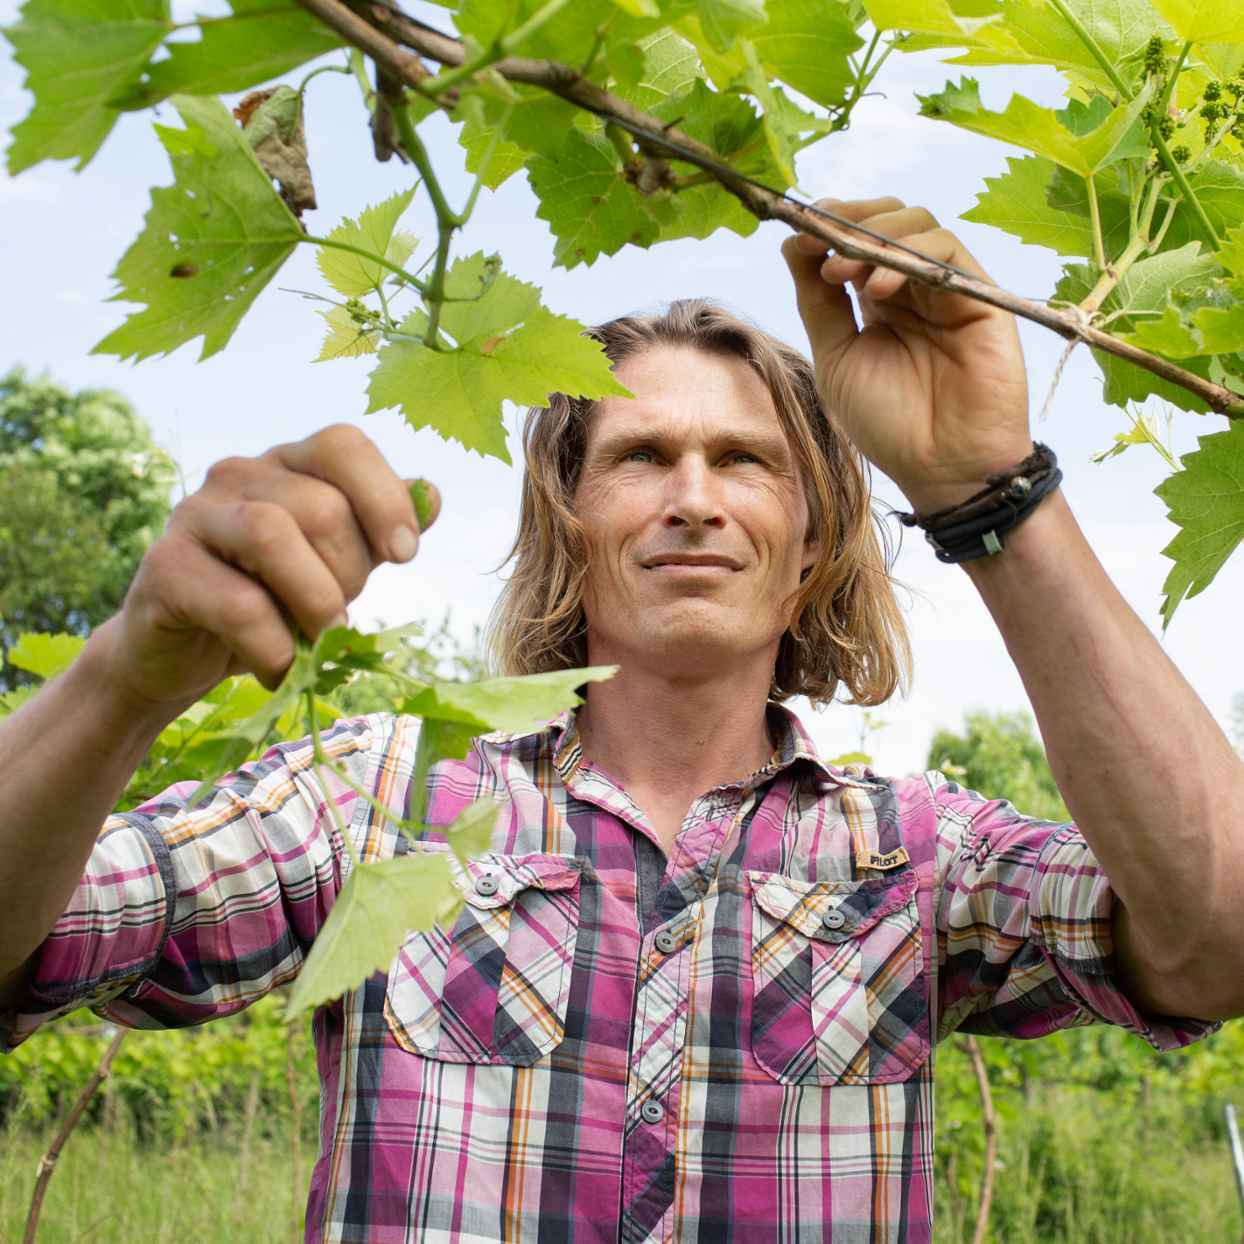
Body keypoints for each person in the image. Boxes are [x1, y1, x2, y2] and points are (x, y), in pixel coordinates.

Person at [1, 196, 1240, 1243]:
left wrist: (988, 491)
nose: (693, 498)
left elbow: (1217, 938)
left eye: (745, 462)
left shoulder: (917, 856)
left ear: (808, 551)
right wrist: (127, 677)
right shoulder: (378, 797)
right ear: (568, 526)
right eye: (642, 456)